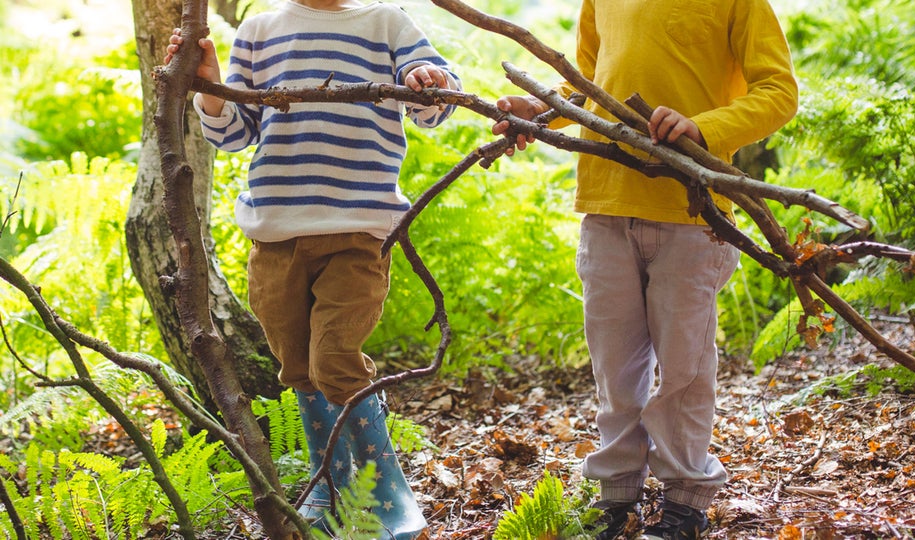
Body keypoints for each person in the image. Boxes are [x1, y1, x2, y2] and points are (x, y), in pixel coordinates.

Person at [493, 1, 798, 538]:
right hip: (606, 204)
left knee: (684, 369)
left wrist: (703, 128)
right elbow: (588, 83)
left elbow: (779, 92)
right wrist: (540, 112)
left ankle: (683, 499)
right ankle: (616, 497)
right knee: (614, 366)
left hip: (692, 214)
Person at [165, 1, 460, 538]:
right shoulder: (260, 30)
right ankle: (331, 483)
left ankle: (385, 491)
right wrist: (209, 85)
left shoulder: (386, 22)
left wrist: (427, 77)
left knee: (336, 361)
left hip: (358, 228)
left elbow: (436, 107)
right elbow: (234, 133)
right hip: (277, 232)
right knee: (299, 367)